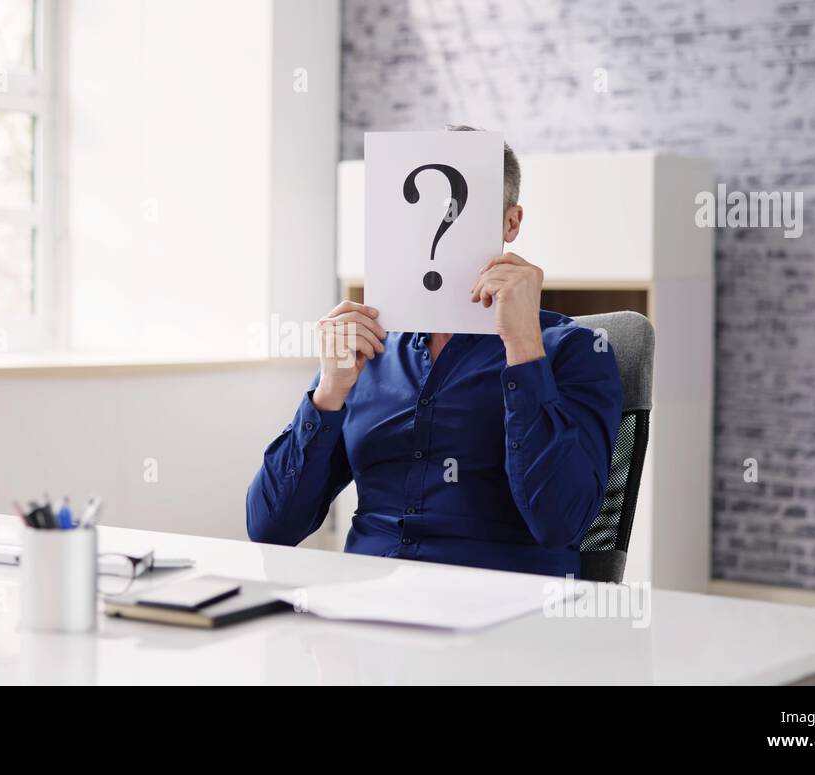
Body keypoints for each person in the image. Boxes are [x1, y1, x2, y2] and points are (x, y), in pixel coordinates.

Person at [246, 126, 622, 577]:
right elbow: (270, 528)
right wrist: (327, 393)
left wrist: (523, 348)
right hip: (370, 611)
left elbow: (561, 521)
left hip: (504, 614)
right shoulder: (369, 349)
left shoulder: (574, 351)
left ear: (511, 222)